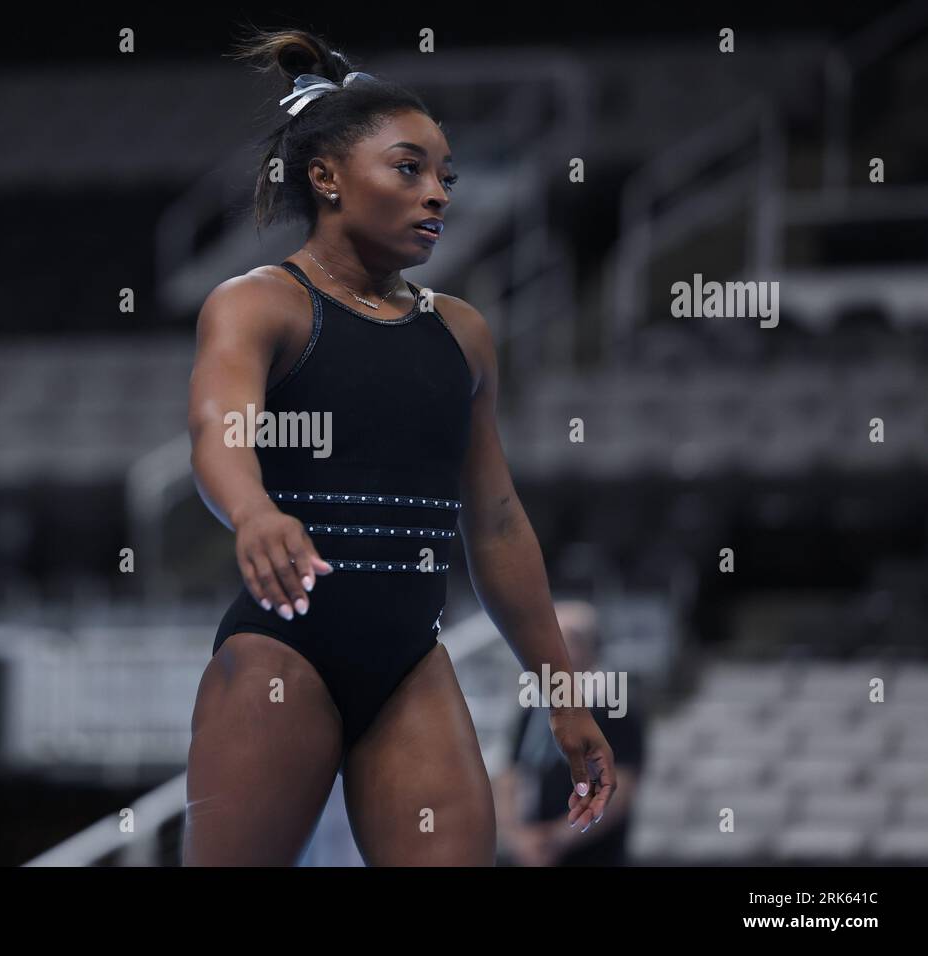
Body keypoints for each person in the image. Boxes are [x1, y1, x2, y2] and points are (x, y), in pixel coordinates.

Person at [182, 27, 616, 866]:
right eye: (409, 169)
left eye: (445, 176)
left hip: (409, 665)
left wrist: (562, 693)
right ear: (327, 178)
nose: (438, 195)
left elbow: (493, 524)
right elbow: (217, 430)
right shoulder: (261, 303)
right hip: (284, 652)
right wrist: (253, 511)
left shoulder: (462, 332)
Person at [495, 601, 646, 866]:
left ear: (590, 647)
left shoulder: (615, 706)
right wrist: (517, 837)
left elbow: (620, 787)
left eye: (568, 640)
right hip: (535, 842)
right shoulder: (534, 705)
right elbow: (511, 774)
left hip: (591, 852)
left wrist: (556, 839)